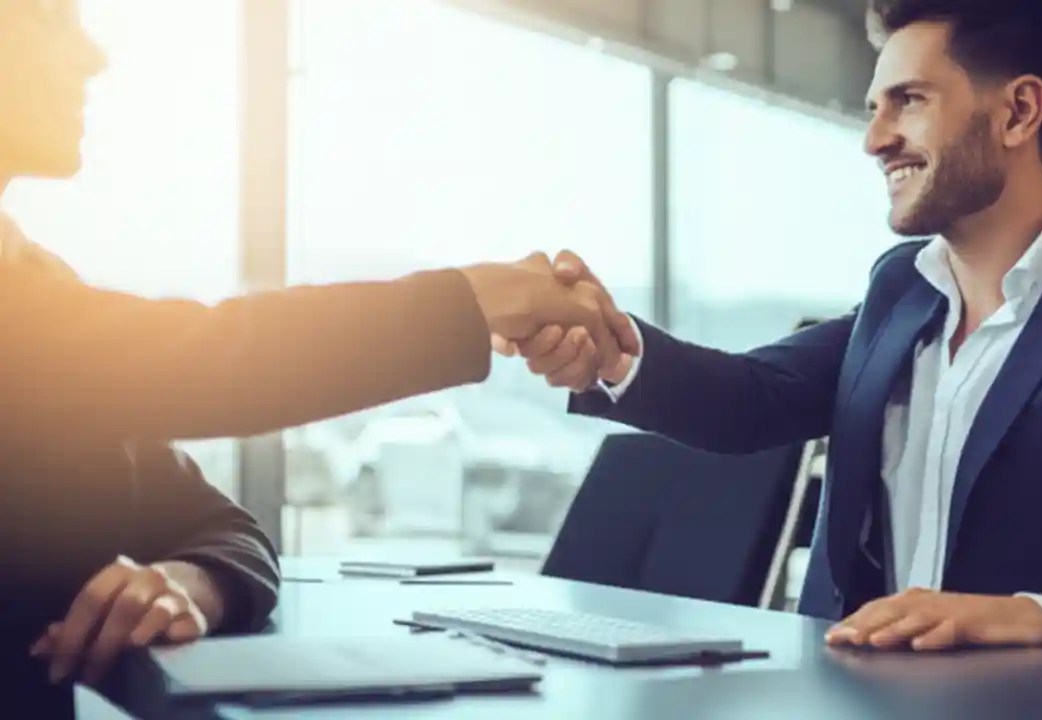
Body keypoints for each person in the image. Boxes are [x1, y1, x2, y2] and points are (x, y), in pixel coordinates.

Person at [508, 0, 1042, 672]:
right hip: (845, 696)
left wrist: (1034, 616)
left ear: (1018, 112)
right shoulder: (902, 287)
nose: (874, 139)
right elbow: (750, 399)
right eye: (874, 106)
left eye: (906, 101)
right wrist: (610, 349)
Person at [0, 0, 635, 712]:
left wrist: (194, 581)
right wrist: (473, 300)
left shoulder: (41, 282)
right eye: (51, 17)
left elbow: (219, 521)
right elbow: (204, 357)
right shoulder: (36, 318)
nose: (93, 55)